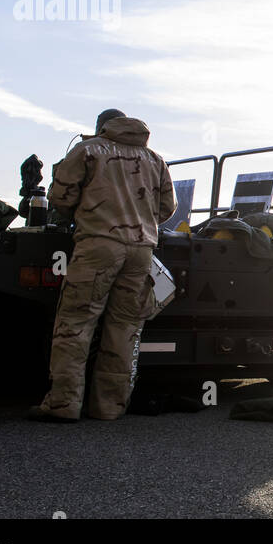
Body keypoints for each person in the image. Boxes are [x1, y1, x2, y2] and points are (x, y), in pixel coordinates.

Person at [29, 109, 175, 422]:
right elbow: (167, 208)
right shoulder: (155, 159)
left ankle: (63, 404)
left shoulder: (89, 150)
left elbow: (60, 196)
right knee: (125, 328)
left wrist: (88, 214)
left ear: (102, 128)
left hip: (98, 246)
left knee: (77, 323)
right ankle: (109, 407)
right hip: (141, 251)